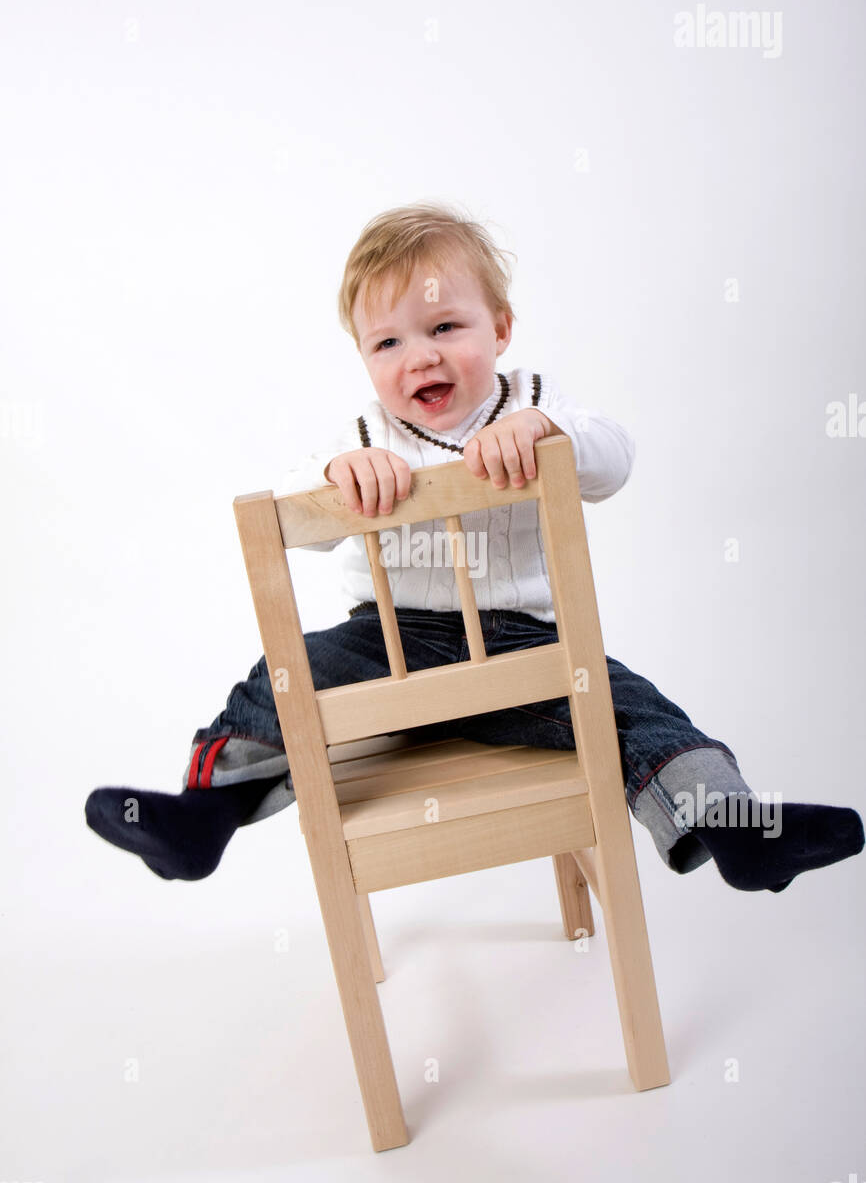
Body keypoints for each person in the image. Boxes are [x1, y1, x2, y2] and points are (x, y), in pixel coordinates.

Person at [85, 202, 863, 892]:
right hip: (387, 646)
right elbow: (289, 507)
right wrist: (335, 474)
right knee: (282, 677)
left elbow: (614, 456)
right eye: (387, 342)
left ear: (502, 328)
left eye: (445, 328)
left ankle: (732, 827)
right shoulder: (365, 435)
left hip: (523, 647)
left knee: (635, 708)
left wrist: (548, 434)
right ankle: (202, 817)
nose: (418, 356)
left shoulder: (529, 402)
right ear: (364, 360)